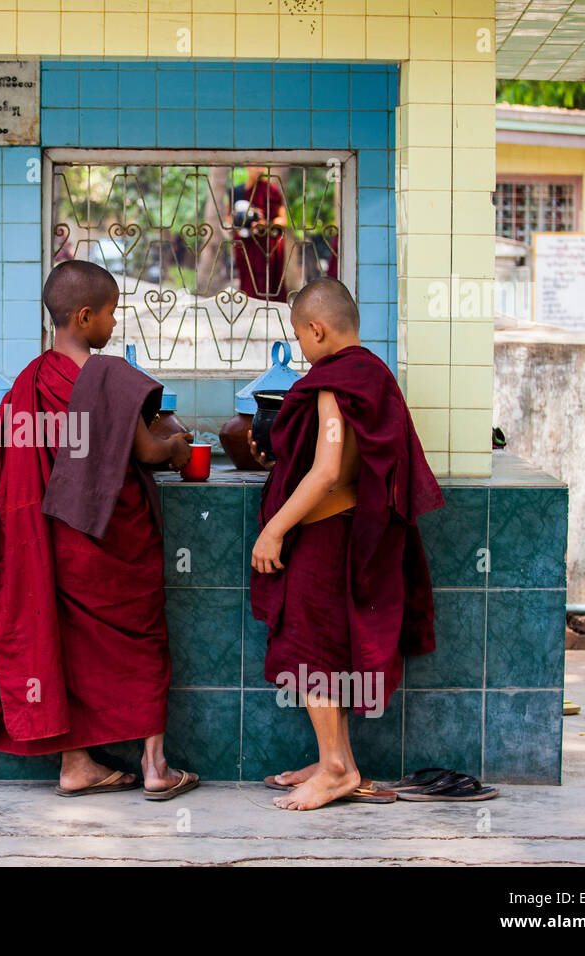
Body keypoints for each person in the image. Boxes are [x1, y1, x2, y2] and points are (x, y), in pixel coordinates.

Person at [0, 259, 200, 800]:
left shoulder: (26, 384)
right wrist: (178, 448)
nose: (115, 325)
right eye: (112, 314)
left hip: (51, 548)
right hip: (111, 545)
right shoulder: (108, 377)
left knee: (60, 644)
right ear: (86, 317)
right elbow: (149, 451)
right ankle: (155, 765)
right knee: (144, 642)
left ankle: (76, 764)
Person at [247, 277, 444, 811]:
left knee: (308, 650)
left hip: (327, 535)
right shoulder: (375, 373)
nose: (301, 347)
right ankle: (336, 759)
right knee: (327, 652)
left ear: (316, 329)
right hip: (356, 532)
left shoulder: (334, 383)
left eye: (298, 334)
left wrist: (274, 529)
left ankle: (336, 769)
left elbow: (327, 471)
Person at [230, 166, 289, 302]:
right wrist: (241, 218)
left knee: (268, 280)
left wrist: (265, 223)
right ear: (247, 167)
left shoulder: (271, 191)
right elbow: (228, 218)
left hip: (266, 244)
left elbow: (283, 220)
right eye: (255, 166)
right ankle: (248, 308)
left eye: (261, 166)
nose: (259, 170)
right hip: (246, 243)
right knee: (248, 279)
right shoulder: (237, 192)